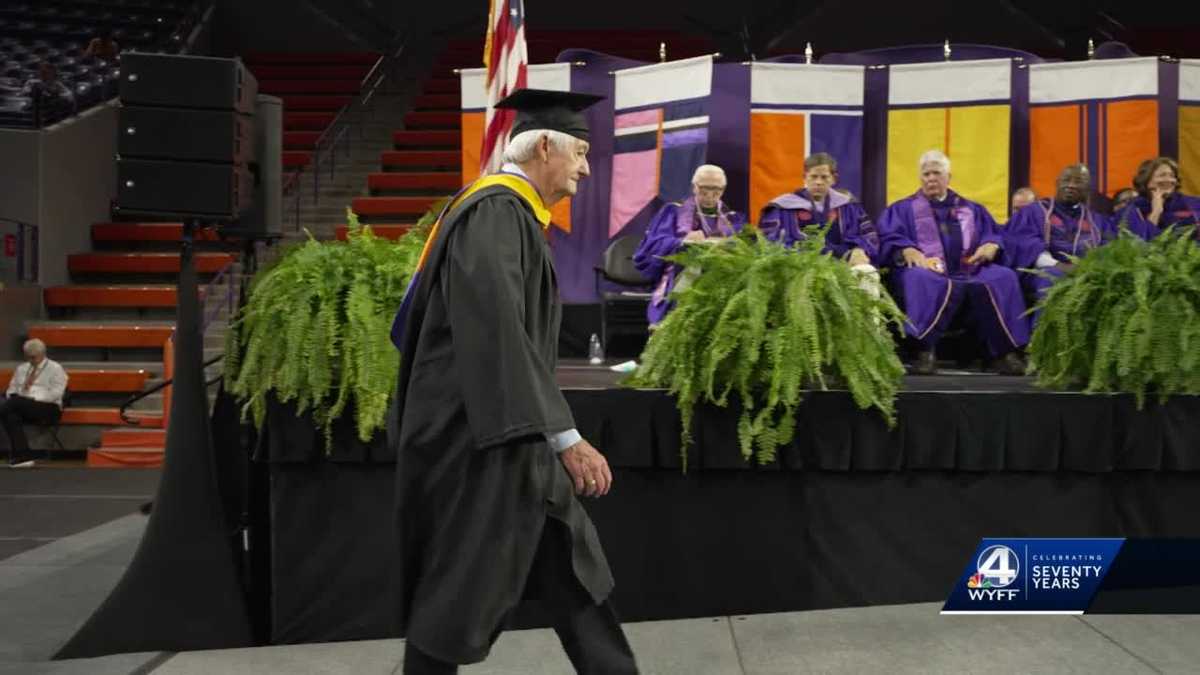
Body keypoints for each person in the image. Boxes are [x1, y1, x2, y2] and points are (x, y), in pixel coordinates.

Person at [386, 89, 638, 675]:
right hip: (479, 436)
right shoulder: (495, 212)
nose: (583, 167)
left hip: (507, 428)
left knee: (572, 565)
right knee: (462, 581)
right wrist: (564, 437)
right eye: (578, 151)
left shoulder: (509, 215)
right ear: (543, 145)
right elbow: (497, 331)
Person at [877, 150, 1030, 375]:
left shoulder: (971, 209)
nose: (931, 178)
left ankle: (1004, 353)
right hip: (927, 270)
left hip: (970, 269)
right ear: (920, 178)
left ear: (949, 177)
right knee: (919, 278)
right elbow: (888, 236)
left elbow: (994, 234)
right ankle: (924, 351)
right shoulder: (902, 209)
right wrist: (906, 248)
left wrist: (991, 244)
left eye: (936, 173)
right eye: (926, 174)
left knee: (1003, 277)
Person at [632, 164, 746, 326]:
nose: (710, 196)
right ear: (694, 187)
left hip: (720, 282)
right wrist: (681, 242)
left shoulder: (733, 219)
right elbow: (652, 245)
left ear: (724, 189)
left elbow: (744, 251)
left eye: (717, 190)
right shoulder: (673, 212)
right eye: (704, 189)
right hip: (679, 278)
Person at [1003, 164, 1114, 318]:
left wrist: (1091, 268)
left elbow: (1109, 249)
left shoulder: (1098, 221)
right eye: (1066, 180)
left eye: (1079, 182)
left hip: (1087, 272)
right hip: (1042, 272)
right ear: (1057, 182)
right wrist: (1059, 266)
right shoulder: (1034, 211)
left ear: (1087, 190)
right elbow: (1025, 244)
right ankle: (1041, 339)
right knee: (1053, 278)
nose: (1071, 185)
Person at [758, 152, 879, 265]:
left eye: (824, 177)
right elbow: (773, 244)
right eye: (813, 176)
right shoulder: (782, 207)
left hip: (845, 267)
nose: (818, 182)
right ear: (804, 177)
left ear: (834, 179)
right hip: (801, 269)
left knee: (866, 272)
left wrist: (859, 249)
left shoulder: (848, 206)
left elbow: (869, 237)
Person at [2, 339, 68, 466]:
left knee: (11, 405)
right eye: (28, 357)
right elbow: (11, 389)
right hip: (19, 405)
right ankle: (23, 456)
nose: (31, 360)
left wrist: (33, 397)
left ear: (43, 354)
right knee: (10, 415)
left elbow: (56, 394)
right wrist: (15, 397)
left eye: (34, 357)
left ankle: (23, 454)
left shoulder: (55, 368)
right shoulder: (22, 368)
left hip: (48, 407)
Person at [1116, 157, 1200, 240]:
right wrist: (1156, 211)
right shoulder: (1130, 211)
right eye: (1162, 175)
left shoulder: (1194, 204)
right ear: (1146, 181)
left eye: (1172, 176)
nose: (1169, 180)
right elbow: (1140, 245)